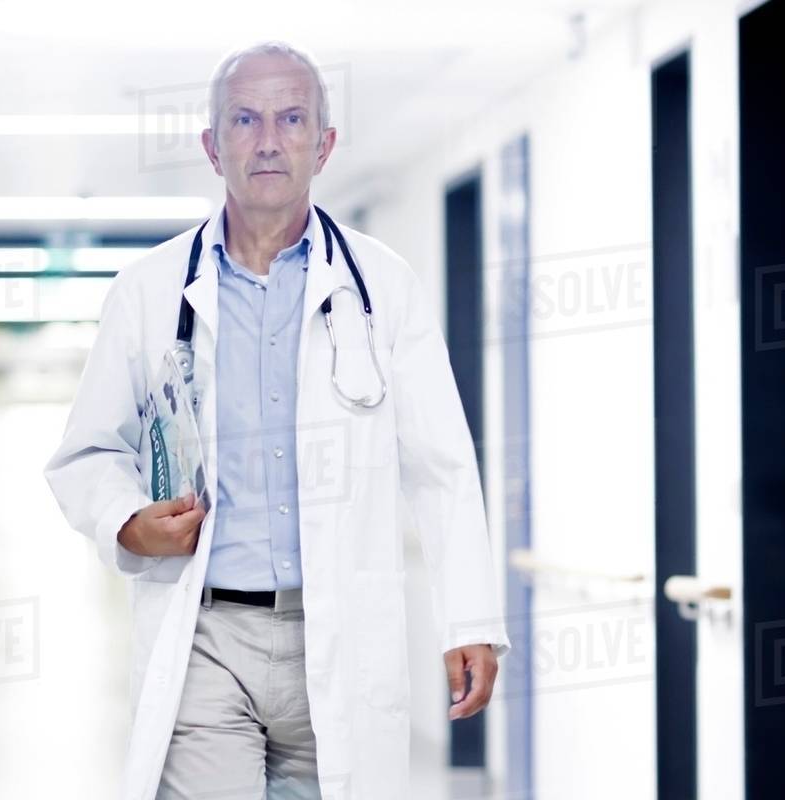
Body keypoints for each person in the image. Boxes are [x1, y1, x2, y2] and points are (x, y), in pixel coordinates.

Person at [43, 39, 511, 800]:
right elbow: (86, 452)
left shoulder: (384, 288)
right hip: (206, 635)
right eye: (245, 119)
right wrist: (129, 519)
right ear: (211, 144)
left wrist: (470, 620)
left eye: (292, 119)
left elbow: (442, 466)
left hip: (342, 630)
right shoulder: (149, 291)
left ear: (323, 145)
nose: (268, 140)